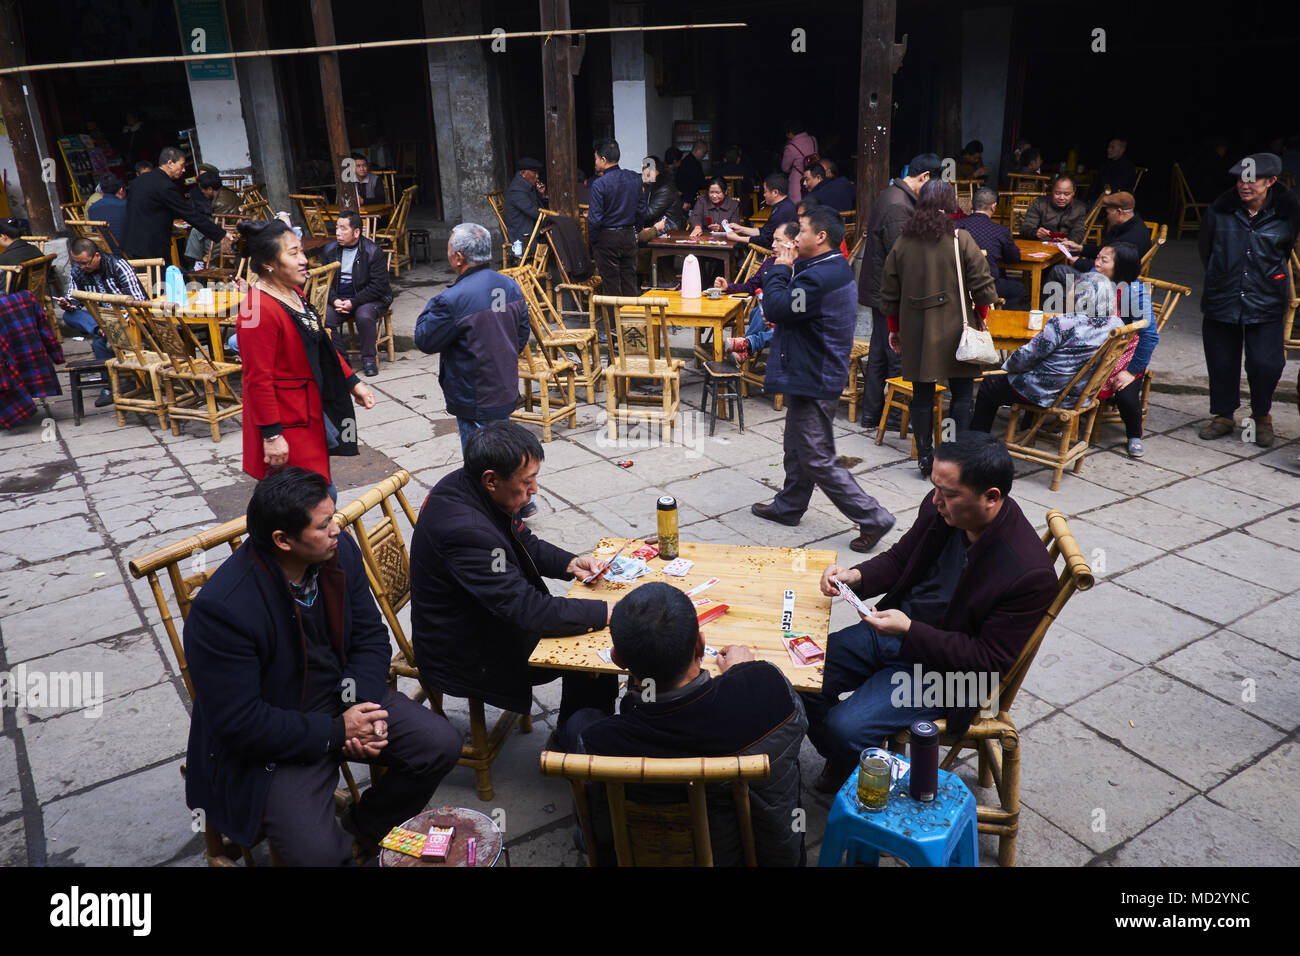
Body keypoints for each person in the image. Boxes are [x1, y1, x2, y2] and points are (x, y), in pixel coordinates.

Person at [182, 468, 462, 865]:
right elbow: (240, 722)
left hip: (340, 699)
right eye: (324, 524)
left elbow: (370, 637)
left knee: (439, 744)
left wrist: (359, 706)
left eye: (333, 517)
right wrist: (336, 732)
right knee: (320, 855)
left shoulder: (337, 551)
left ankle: (366, 827)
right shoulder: (223, 609)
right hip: (277, 738)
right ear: (283, 540)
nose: (337, 529)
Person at [804, 434, 1057, 790]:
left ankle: (853, 760)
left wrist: (910, 631)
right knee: (800, 675)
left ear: (991, 498)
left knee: (844, 727)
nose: (936, 500)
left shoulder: (1028, 573)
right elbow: (902, 558)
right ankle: (847, 759)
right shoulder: (942, 508)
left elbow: (986, 662)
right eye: (935, 487)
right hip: (895, 632)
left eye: (949, 494)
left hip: (947, 674)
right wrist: (855, 577)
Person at [560, 583, 808, 867]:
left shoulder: (599, 745)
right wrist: (742, 672)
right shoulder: (768, 687)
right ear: (701, 645)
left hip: (643, 856)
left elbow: (593, 830)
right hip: (757, 856)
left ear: (616, 659)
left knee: (580, 721)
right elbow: (800, 721)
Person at [409, 421, 619, 737]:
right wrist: (606, 612)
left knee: (589, 629)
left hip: (482, 617)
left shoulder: (472, 486)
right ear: (492, 480)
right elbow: (527, 609)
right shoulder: (466, 531)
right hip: (463, 649)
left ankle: (581, 732)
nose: (535, 489)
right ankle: (575, 744)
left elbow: (524, 540)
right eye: (528, 480)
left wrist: (570, 563)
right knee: (593, 650)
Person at [751, 204, 897, 553]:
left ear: (821, 236)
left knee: (816, 455)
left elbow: (777, 307)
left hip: (815, 374)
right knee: (795, 444)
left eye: (800, 230)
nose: (795, 237)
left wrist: (781, 267)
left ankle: (873, 516)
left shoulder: (821, 276)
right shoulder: (824, 266)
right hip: (811, 368)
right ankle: (789, 506)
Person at [237, 219, 377, 490]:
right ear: (268, 263)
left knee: (320, 490)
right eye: (293, 254)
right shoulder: (256, 310)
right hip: (288, 423)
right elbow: (257, 380)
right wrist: (272, 434)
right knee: (308, 498)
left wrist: (352, 382)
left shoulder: (294, 293)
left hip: (309, 410)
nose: (304, 260)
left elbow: (319, 345)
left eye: (301, 251)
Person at [881, 180, 999, 477]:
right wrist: (980, 315)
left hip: (917, 330)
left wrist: (894, 328)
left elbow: (889, 294)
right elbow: (983, 287)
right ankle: (953, 456)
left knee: (922, 394)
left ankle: (925, 457)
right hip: (957, 328)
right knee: (960, 394)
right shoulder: (961, 238)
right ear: (950, 204)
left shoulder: (903, 242)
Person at [1196, 152, 1300, 448]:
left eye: (1252, 180)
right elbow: (1206, 249)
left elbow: (1286, 249)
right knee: (1221, 360)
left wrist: (1270, 278)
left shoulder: (1286, 214)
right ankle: (1223, 415)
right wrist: (1222, 275)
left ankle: (1262, 416)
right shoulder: (1221, 210)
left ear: (1271, 181)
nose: (1245, 185)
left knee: (1265, 363)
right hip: (1222, 295)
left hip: (1266, 297)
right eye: (1241, 178)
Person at [414, 220, 532, 456]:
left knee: (483, 464)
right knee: (502, 456)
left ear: (458, 257)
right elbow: (521, 334)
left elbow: (424, 339)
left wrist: (436, 304)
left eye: (449, 248)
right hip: (503, 387)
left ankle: (515, 493)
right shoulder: (509, 286)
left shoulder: (452, 300)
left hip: (474, 396)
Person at [970, 271, 1122, 431]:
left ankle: (976, 439)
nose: (1068, 292)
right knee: (1040, 369)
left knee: (990, 385)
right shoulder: (1116, 324)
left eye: (1072, 289)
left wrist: (1007, 366)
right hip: (1081, 393)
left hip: (1047, 393)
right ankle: (1027, 428)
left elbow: (1027, 356)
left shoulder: (1062, 323)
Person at [860, 153, 944, 430]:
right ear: (925, 178)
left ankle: (872, 414)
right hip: (890, 293)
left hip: (881, 290)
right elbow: (903, 260)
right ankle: (897, 419)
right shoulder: (899, 205)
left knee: (880, 354)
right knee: (897, 355)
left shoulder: (894, 195)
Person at [1093, 242, 1157, 458]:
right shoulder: (1096, 282)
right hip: (1097, 347)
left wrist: (1130, 371)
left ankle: (1134, 435)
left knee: (1125, 396)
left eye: (1104, 260)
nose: (1096, 263)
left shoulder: (1135, 293)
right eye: (1098, 257)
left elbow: (1149, 335)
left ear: (1120, 267)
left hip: (1127, 353)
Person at [61, 237, 144, 405]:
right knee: (69, 316)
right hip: (102, 320)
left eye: (85, 263)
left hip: (128, 320)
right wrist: (67, 304)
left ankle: (109, 386)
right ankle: (100, 329)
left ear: (97, 256)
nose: (82, 267)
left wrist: (114, 324)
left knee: (99, 342)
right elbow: (73, 297)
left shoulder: (117, 265)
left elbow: (138, 303)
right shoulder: (78, 271)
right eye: (78, 264)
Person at [122, 146, 229, 262]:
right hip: (152, 248)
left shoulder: (139, 181)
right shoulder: (165, 185)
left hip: (131, 244)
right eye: (182, 165)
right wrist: (221, 234)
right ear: (170, 163)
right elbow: (189, 214)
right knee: (160, 280)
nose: (184, 170)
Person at [321, 211, 394, 378]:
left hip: (370, 298)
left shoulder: (372, 251)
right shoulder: (330, 250)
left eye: (343, 228)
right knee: (324, 318)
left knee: (364, 315)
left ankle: (369, 359)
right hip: (340, 298)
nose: (338, 232)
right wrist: (334, 300)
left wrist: (354, 302)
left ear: (356, 232)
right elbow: (325, 282)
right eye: (337, 228)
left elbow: (378, 286)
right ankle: (342, 362)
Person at [719, 220, 800, 365]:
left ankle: (746, 346)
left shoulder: (802, 268)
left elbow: (798, 306)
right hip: (765, 313)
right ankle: (746, 347)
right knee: (760, 310)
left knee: (789, 330)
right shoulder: (770, 262)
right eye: (773, 240)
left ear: (793, 243)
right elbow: (751, 286)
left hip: (791, 316)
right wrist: (728, 287)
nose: (773, 245)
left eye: (778, 240)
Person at [1046, 191, 1150, 292]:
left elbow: (1112, 268)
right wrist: (1080, 248)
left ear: (1119, 212)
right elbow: (1104, 252)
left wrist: (1079, 263)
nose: (1107, 217)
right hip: (1107, 276)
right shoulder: (1126, 225)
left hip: (1110, 285)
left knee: (1059, 270)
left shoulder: (1132, 237)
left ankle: (1050, 307)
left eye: (1108, 213)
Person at [586, 138, 646, 297]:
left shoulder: (599, 184)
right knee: (629, 281)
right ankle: (632, 322)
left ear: (603, 160)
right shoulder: (634, 178)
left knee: (611, 286)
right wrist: (635, 231)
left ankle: (614, 323)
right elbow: (641, 210)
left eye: (596, 159)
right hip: (628, 236)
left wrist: (594, 241)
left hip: (607, 238)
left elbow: (594, 219)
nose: (596, 162)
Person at [959, 186, 1028, 309]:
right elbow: (1013, 258)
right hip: (986, 286)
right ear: (993, 206)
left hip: (958, 284)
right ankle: (999, 318)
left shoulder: (956, 226)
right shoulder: (1000, 231)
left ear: (971, 205)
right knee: (1020, 290)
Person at [184, 170, 242, 265]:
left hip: (232, 235)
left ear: (210, 189)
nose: (202, 192)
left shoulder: (220, 202)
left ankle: (197, 263)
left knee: (197, 233)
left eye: (203, 190)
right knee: (197, 231)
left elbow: (215, 227)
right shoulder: (226, 192)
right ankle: (197, 263)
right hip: (231, 229)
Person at [725, 174, 796, 249]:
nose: (764, 195)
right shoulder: (783, 205)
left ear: (775, 192)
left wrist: (738, 238)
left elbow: (765, 240)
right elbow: (765, 232)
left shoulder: (783, 211)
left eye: (765, 191)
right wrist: (741, 229)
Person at [1019, 174, 1087, 243]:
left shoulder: (1079, 208)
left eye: (1066, 194)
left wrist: (1070, 240)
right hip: (1040, 244)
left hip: (1066, 246)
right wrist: (1035, 232)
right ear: (1052, 190)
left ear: (1073, 193)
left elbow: (1079, 232)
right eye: (1057, 193)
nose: (1061, 198)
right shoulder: (1039, 204)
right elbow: (1025, 228)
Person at [505, 157, 546, 249]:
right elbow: (534, 212)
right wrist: (553, 217)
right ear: (523, 173)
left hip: (530, 226)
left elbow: (535, 205)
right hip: (523, 235)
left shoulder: (525, 185)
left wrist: (541, 194)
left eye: (538, 173)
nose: (537, 176)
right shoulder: (517, 190)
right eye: (534, 173)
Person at [638, 156, 684, 236]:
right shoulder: (652, 186)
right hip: (656, 230)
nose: (644, 174)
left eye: (646, 170)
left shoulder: (664, 188)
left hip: (667, 232)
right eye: (643, 170)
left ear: (656, 171)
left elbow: (649, 213)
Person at [1086, 138, 1138, 203]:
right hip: (1098, 200)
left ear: (1122, 150)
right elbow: (1096, 184)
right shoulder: (1106, 164)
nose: (1108, 149)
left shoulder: (1127, 167)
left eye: (1112, 147)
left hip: (1113, 203)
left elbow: (1118, 190)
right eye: (1109, 147)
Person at [86, 174, 128, 250]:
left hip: (106, 253)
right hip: (127, 253)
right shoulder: (126, 205)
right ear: (121, 190)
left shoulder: (92, 208)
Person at [781, 121, 819, 203]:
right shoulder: (813, 139)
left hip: (798, 181)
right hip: (815, 177)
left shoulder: (790, 147)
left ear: (790, 133)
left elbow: (785, 168)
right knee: (813, 205)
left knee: (797, 207)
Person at [676, 140, 708, 209]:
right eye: (704, 153)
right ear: (698, 150)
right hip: (689, 198)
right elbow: (700, 183)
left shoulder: (685, 161)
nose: (704, 155)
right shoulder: (694, 164)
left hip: (683, 197)